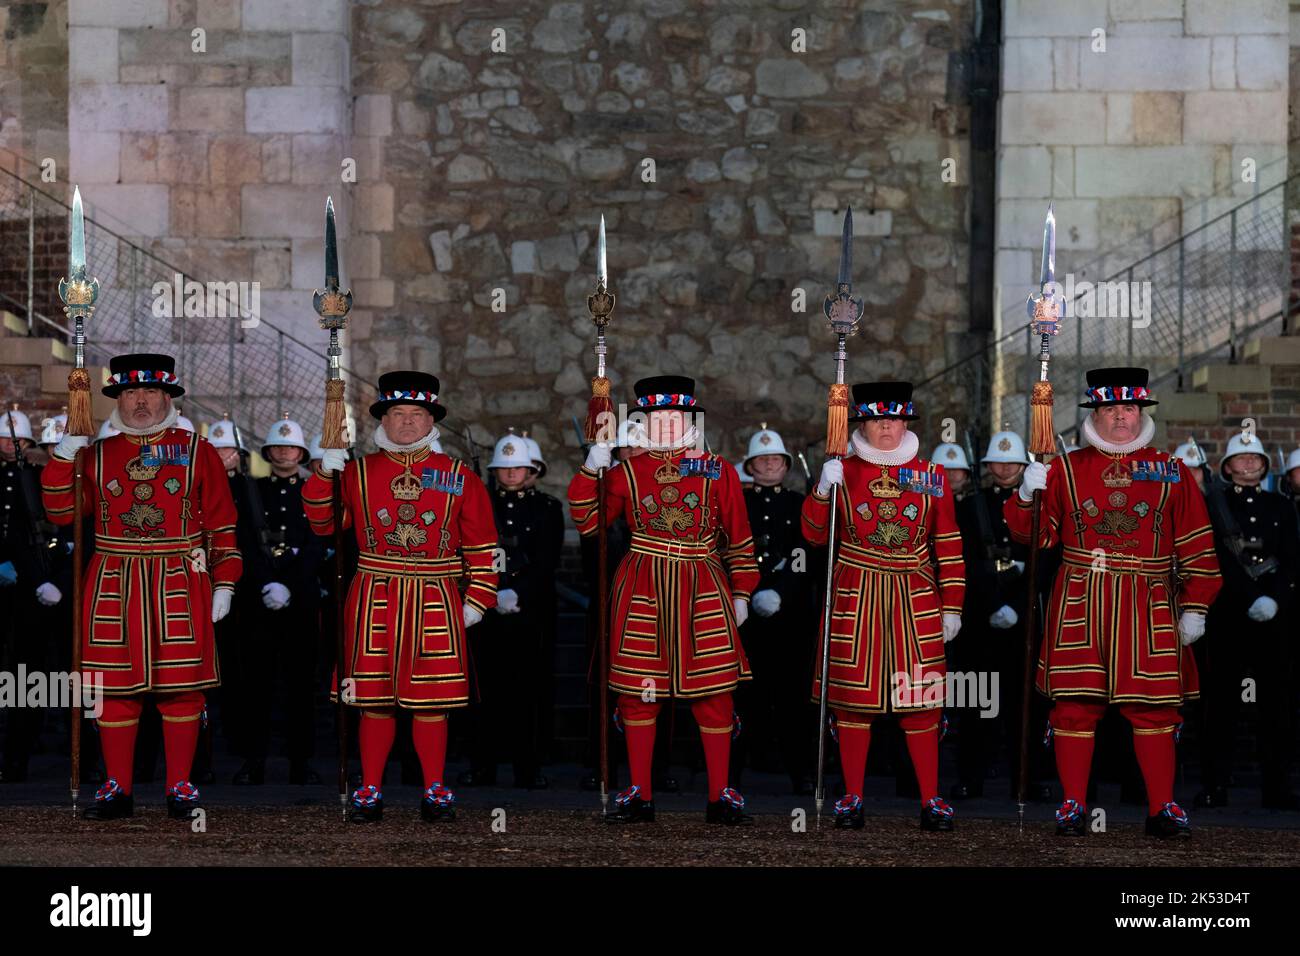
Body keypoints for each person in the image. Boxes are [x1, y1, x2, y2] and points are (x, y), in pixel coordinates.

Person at [1004, 368, 1221, 838]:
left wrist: (1196, 604)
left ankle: (1162, 807)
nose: (1120, 417)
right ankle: (1071, 806)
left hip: (1150, 602)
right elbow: (1033, 537)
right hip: (1082, 596)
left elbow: (1197, 542)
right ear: (1094, 414)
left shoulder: (1170, 469)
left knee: (1156, 709)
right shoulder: (1063, 466)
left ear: (1140, 412)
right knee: (1074, 707)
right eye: (1109, 409)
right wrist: (1025, 494)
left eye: (1128, 409)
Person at [40, 353, 242, 820]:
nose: (141, 401)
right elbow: (60, 513)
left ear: (167, 396)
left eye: (151, 392)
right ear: (118, 399)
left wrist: (225, 582)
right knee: (113, 687)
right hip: (114, 578)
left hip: (180, 578)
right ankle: (117, 787)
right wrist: (63, 456)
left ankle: (180, 785)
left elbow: (222, 525)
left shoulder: (198, 450)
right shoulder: (97, 453)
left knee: (182, 687)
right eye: (131, 392)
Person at [303, 371, 497, 823]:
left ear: (432, 420)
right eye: (397, 414)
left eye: (416, 415)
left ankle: (434, 788)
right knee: (375, 701)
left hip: (436, 596)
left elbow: (484, 545)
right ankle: (370, 788)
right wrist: (320, 475)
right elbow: (322, 524)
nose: (406, 423)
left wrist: (478, 600)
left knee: (432, 703)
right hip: (375, 595)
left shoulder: (458, 476)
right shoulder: (358, 472)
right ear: (383, 420)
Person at [568, 375, 759, 825]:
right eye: (657, 416)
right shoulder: (627, 471)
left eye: (675, 416)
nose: (667, 424)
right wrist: (592, 466)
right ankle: (639, 792)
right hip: (643, 582)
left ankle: (720, 794)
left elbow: (740, 538)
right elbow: (588, 521)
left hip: (703, 583)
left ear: (689, 418)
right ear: (644, 420)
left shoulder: (719, 468)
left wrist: (743, 589)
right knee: (638, 692)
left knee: (715, 692)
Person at [806, 382, 965, 831]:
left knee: (921, 701)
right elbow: (815, 536)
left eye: (894, 419)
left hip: (915, 597)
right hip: (855, 593)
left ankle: (931, 799)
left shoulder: (931, 475)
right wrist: (822, 489)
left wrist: (952, 605)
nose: (886, 427)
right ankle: (852, 797)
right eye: (878, 419)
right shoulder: (843, 469)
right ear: (862, 423)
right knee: (855, 701)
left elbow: (949, 545)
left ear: (906, 422)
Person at [1194, 432, 1299, 810]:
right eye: (1242, 458)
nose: (1250, 463)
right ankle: (1215, 785)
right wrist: (1251, 596)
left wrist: (1274, 598)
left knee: (1276, 706)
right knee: (1221, 706)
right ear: (1228, 467)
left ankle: (1277, 788)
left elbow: (1291, 558)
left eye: (1256, 458)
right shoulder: (1212, 507)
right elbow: (1214, 560)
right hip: (1230, 618)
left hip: (1273, 620)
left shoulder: (1281, 507)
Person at [948, 428, 1052, 802]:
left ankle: (1027, 780)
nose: (1005, 468)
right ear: (988, 465)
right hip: (983, 618)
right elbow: (963, 560)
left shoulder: (1040, 504)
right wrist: (994, 602)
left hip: (1025, 619)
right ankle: (970, 778)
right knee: (977, 701)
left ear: (1024, 465)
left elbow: (1048, 558)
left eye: (1012, 462)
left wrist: (1021, 596)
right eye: (998, 461)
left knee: (1027, 706)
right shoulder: (969, 507)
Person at [460, 430, 564, 790]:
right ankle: (482, 766)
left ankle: (528, 768)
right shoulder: (480, 504)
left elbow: (547, 560)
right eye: (504, 468)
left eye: (517, 467)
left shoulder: (548, 508)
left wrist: (518, 592)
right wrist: (492, 592)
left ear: (532, 470)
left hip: (529, 612)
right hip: (487, 610)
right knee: (483, 692)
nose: (510, 474)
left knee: (529, 692)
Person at [229, 415, 326, 785]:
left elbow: (317, 543)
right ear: (268, 452)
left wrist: (291, 584)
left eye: (292, 447)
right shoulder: (252, 491)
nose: (285, 452)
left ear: (301, 453)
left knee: (301, 685)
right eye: (278, 447)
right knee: (257, 685)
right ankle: (254, 761)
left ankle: (300, 762)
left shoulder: (313, 491)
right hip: (260, 600)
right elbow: (245, 543)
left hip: (300, 600)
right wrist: (267, 582)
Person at [732, 423, 813, 795]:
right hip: (746, 615)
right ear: (750, 466)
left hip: (789, 617)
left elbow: (802, 553)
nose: (768, 464)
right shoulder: (739, 504)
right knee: (743, 697)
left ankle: (802, 773)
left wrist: (780, 591)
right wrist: (748, 592)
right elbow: (731, 550)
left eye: (775, 459)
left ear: (785, 465)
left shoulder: (799, 504)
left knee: (793, 699)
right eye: (761, 459)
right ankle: (730, 775)